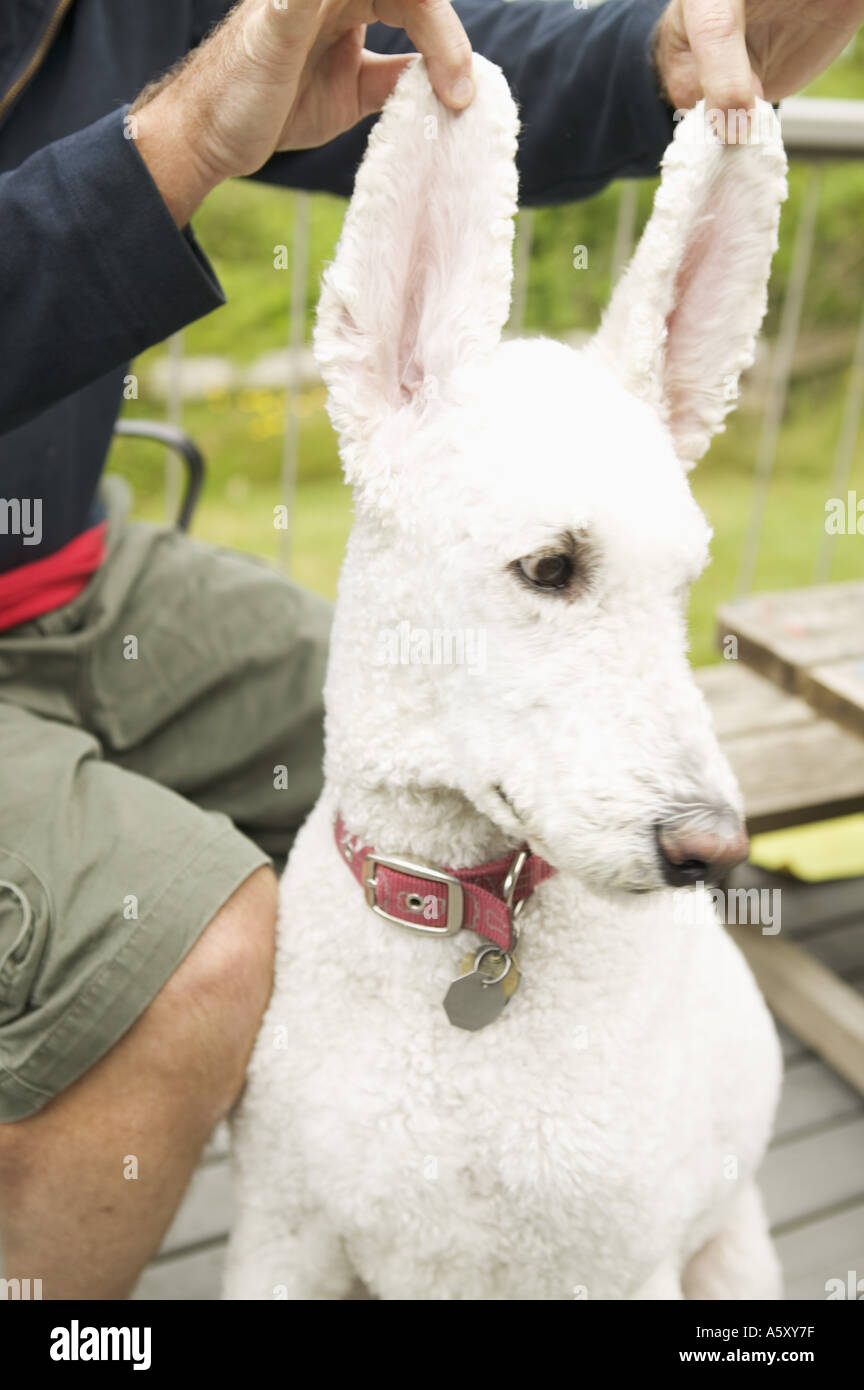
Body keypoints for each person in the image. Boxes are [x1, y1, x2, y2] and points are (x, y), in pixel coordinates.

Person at [0, 0, 860, 1300]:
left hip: (65, 562)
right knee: (205, 945)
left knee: (388, 711)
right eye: (551, 569)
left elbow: (447, 65)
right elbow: (202, 113)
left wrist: (660, 53)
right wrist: (172, 139)